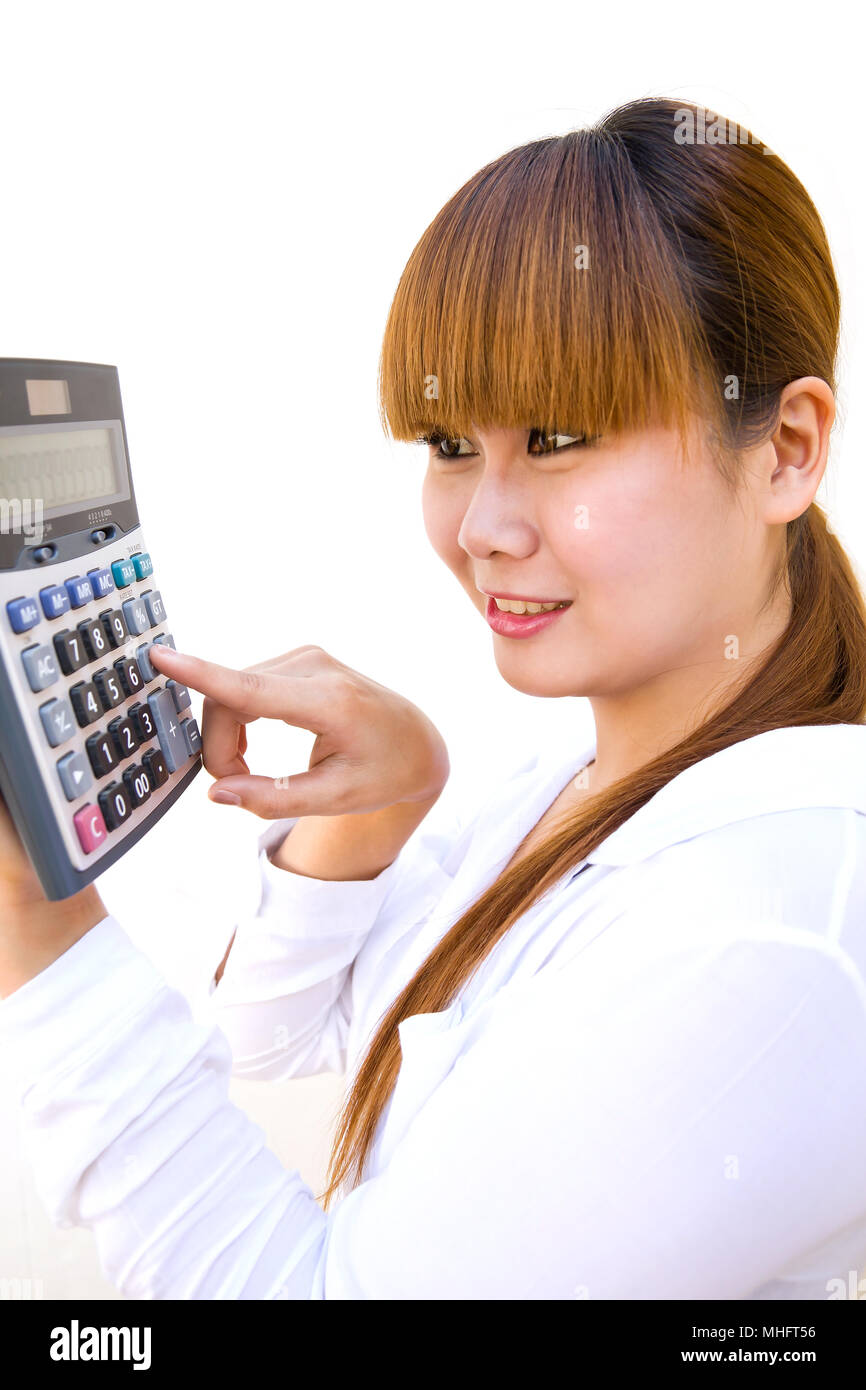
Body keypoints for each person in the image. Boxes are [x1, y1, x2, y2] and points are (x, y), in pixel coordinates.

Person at [2, 94, 866, 1300]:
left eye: (559, 436)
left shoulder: (768, 918)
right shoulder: (582, 778)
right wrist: (381, 810)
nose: (480, 528)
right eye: (449, 445)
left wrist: (36, 931)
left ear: (783, 448)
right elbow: (263, 1033)